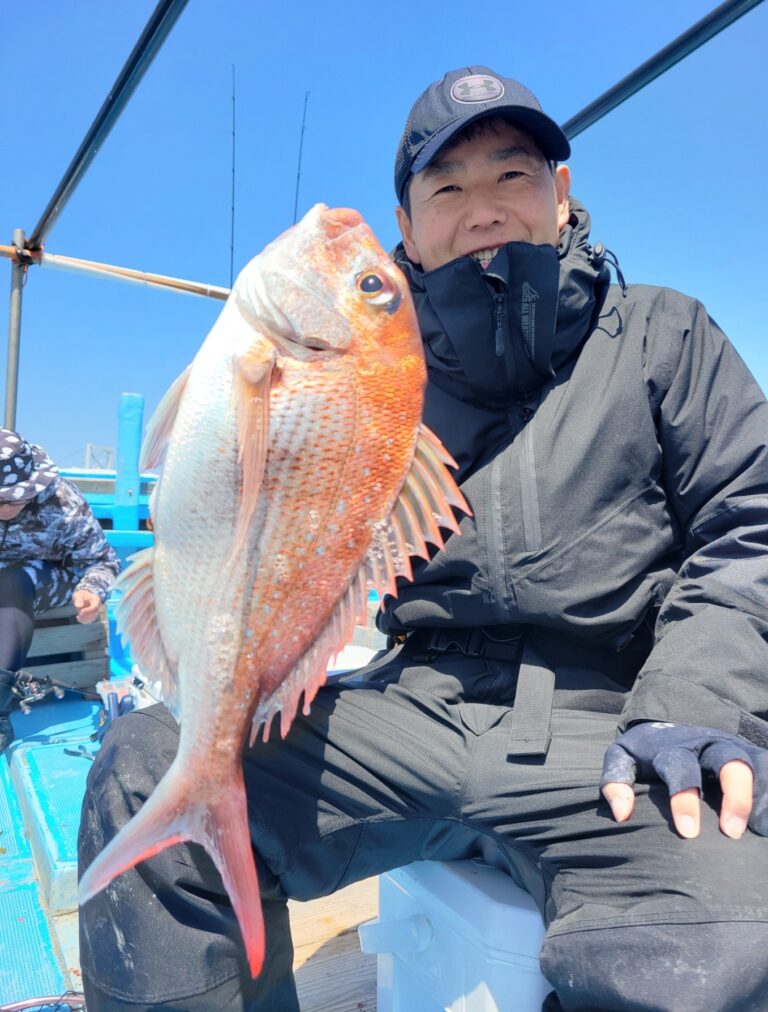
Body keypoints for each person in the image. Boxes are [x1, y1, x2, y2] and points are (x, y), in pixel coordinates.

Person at [77, 66, 768, 1011]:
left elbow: (749, 524)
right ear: (407, 228)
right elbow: (242, 509)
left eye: (512, 176)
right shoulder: (375, 372)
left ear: (562, 197)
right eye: (446, 187)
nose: (481, 208)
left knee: (722, 936)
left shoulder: (666, 334)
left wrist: (693, 697)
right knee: (146, 769)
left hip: (607, 718)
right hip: (403, 704)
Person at [0, 427, 119, 752]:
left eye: (17, 496)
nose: (8, 505)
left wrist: (93, 590)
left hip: (42, 581)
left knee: (12, 580)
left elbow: (102, 561)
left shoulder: (62, 502)